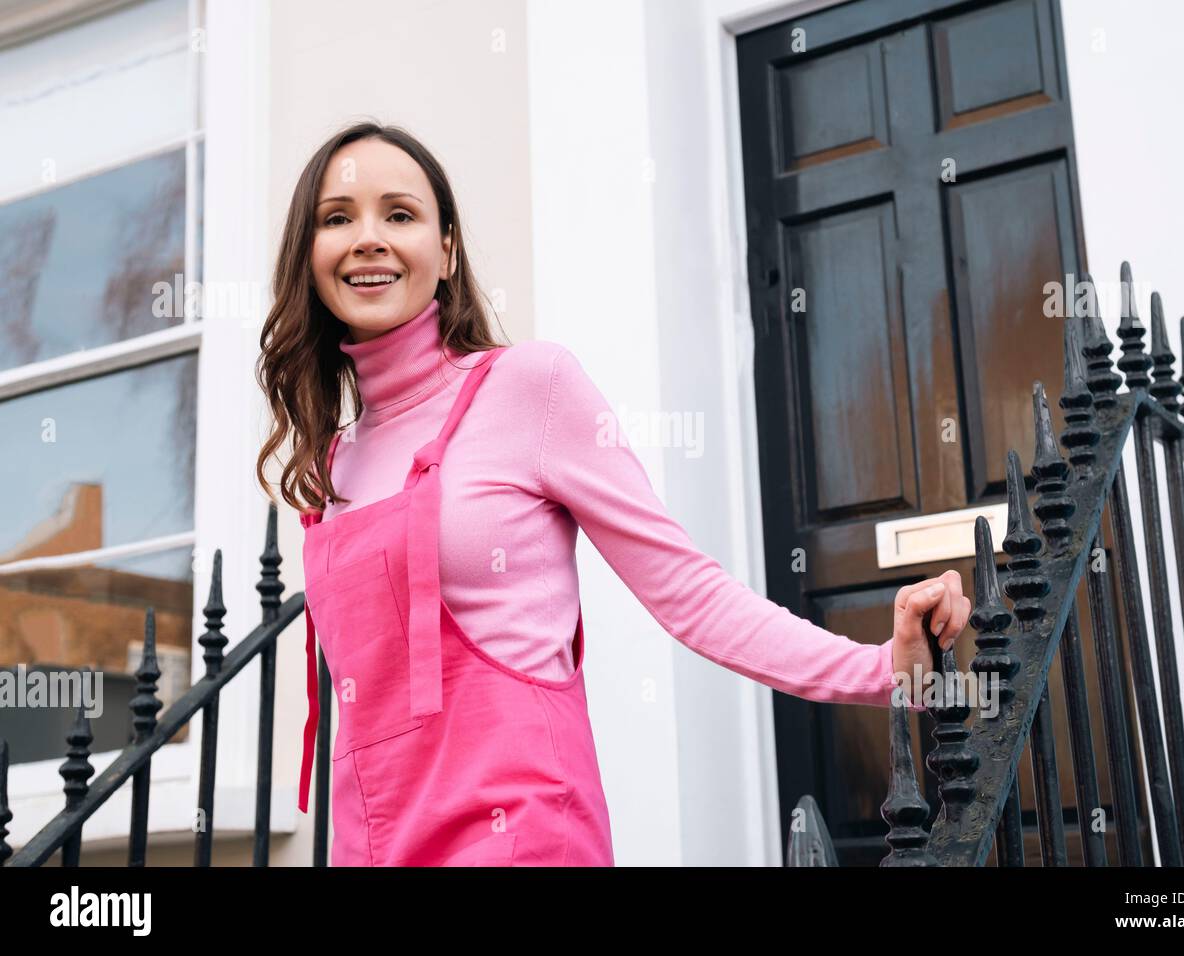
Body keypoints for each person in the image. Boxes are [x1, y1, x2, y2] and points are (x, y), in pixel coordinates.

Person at [254, 122, 970, 866]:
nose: (368, 237)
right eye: (337, 218)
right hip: (370, 845)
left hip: (520, 836)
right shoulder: (331, 465)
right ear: (310, 256)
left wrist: (882, 668)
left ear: (448, 251)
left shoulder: (529, 387)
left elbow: (690, 593)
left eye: (399, 214)